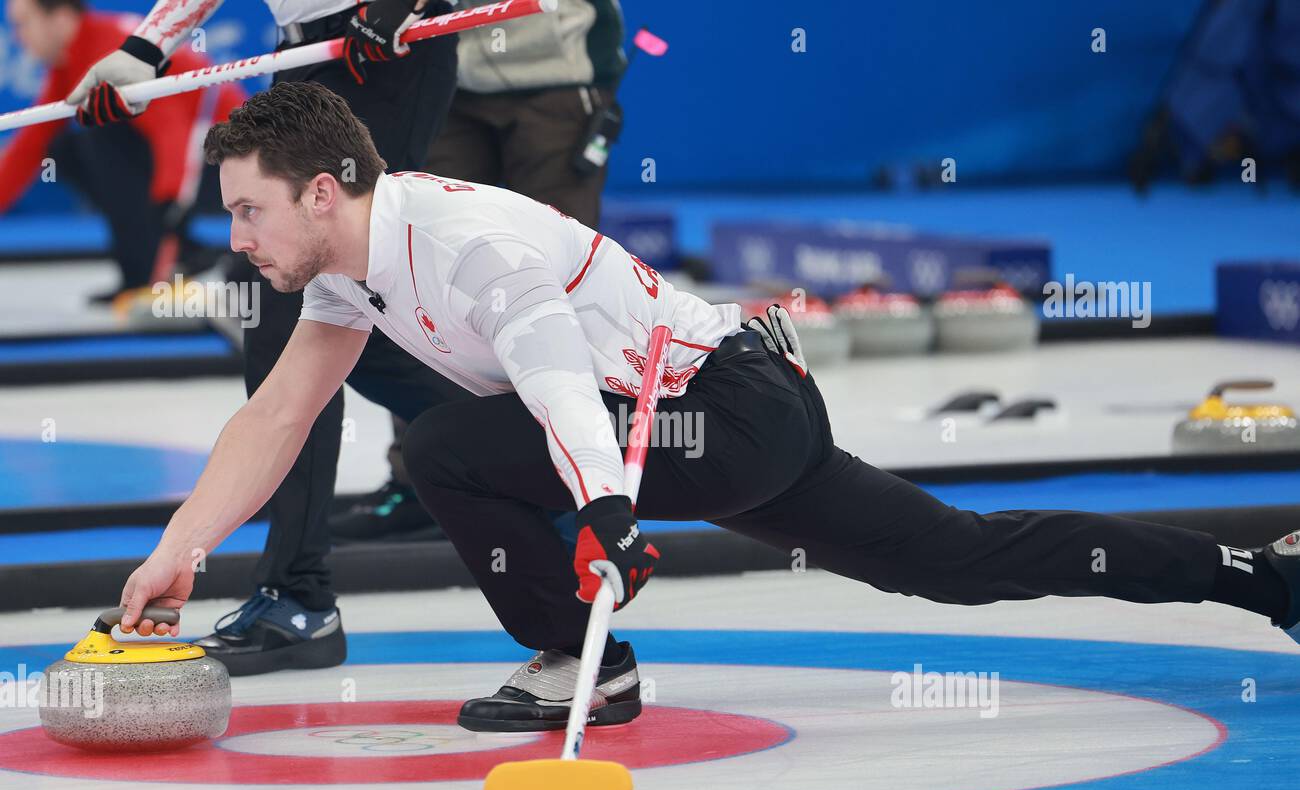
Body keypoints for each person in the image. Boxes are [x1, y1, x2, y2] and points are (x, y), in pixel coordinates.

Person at [117, 83, 1300, 735]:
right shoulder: (343, 267)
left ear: (324, 190)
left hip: (715, 413)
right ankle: (1265, 579)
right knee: (956, 558)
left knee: (436, 442)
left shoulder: (465, 243)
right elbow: (275, 417)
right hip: (728, 413)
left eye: (247, 210)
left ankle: (582, 663)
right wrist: (181, 551)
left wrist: (607, 517)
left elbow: (557, 385)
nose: (235, 238)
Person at [64, 0, 470, 675]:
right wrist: (144, 49)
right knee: (325, 330)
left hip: (381, 48)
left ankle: (300, 597)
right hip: (309, 52)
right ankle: (542, 451)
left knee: (298, 318)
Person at [332, 0, 627, 542]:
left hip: (558, 76)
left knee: (555, 288)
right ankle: (422, 479)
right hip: (442, 74)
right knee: (418, 274)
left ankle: (585, 487)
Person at [0, 0, 242, 301]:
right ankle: (169, 260)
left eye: (23, 23)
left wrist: (170, 205)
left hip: (222, 160)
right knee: (64, 148)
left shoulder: (109, 49)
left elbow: (174, 131)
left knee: (102, 136)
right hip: (185, 157)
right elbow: (30, 146)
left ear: (61, 19)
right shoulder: (74, 57)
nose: (16, 36)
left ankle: (153, 267)